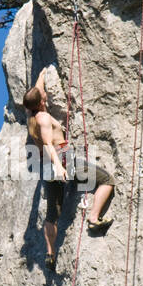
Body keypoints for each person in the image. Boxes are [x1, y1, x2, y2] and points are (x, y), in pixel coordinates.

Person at [23, 67, 114, 270]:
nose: (45, 92)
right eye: (43, 94)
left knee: (52, 214)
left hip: (46, 167)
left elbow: (36, 91)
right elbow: (48, 144)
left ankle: (50, 252)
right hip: (61, 160)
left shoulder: (30, 113)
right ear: (41, 102)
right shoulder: (44, 119)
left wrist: (42, 74)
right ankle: (93, 218)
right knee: (107, 180)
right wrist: (60, 167)